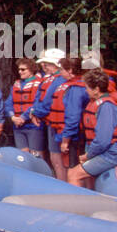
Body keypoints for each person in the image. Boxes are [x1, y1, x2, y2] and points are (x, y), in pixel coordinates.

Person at [68, 69, 117, 189]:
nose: (85, 91)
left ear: (96, 89)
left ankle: (76, 207)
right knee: (87, 178)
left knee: (73, 174)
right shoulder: (97, 103)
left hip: (112, 154)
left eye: (87, 88)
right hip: (105, 151)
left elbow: (103, 140)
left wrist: (88, 155)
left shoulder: (106, 107)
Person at [32, 51, 86, 182]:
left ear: (70, 70)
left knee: (66, 165)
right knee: (60, 162)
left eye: (61, 69)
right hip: (61, 130)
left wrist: (65, 139)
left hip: (68, 134)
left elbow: (73, 116)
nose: (59, 71)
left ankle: (67, 191)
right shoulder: (66, 84)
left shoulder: (75, 88)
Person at [6, 58, 48, 163]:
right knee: (22, 157)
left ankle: (40, 177)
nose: (20, 71)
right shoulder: (16, 84)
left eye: (23, 69)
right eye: (19, 69)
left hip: (33, 126)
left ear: (31, 70)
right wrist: (13, 117)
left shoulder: (39, 84)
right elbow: (8, 103)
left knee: (36, 157)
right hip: (18, 126)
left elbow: (37, 103)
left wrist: (23, 117)